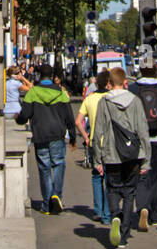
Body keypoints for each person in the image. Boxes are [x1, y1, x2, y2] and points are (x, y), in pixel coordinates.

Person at [92, 68, 151, 249]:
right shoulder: (135, 101)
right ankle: (124, 234)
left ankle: (115, 215)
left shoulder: (105, 102)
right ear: (125, 81)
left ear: (109, 82)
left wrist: (97, 159)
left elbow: (98, 132)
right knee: (129, 193)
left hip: (111, 154)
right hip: (133, 155)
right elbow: (143, 131)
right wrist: (146, 159)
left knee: (112, 189)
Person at [15, 63, 76, 213]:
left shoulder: (33, 92)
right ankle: (57, 196)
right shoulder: (61, 93)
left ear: (39, 76)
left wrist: (18, 119)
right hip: (57, 134)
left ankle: (46, 204)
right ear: (53, 76)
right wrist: (73, 136)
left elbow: (24, 115)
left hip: (40, 135)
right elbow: (69, 117)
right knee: (59, 164)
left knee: (44, 168)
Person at [129, 67, 157, 228]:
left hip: (139, 139)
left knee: (140, 174)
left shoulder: (132, 89)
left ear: (140, 70)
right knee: (156, 176)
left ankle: (142, 207)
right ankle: (155, 215)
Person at [76, 70, 111, 226]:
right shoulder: (111, 98)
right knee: (110, 177)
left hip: (93, 141)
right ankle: (107, 213)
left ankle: (97, 210)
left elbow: (78, 121)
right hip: (110, 142)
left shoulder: (89, 99)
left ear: (97, 84)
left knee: (97, 175)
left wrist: (85, 136)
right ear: (109, 84)